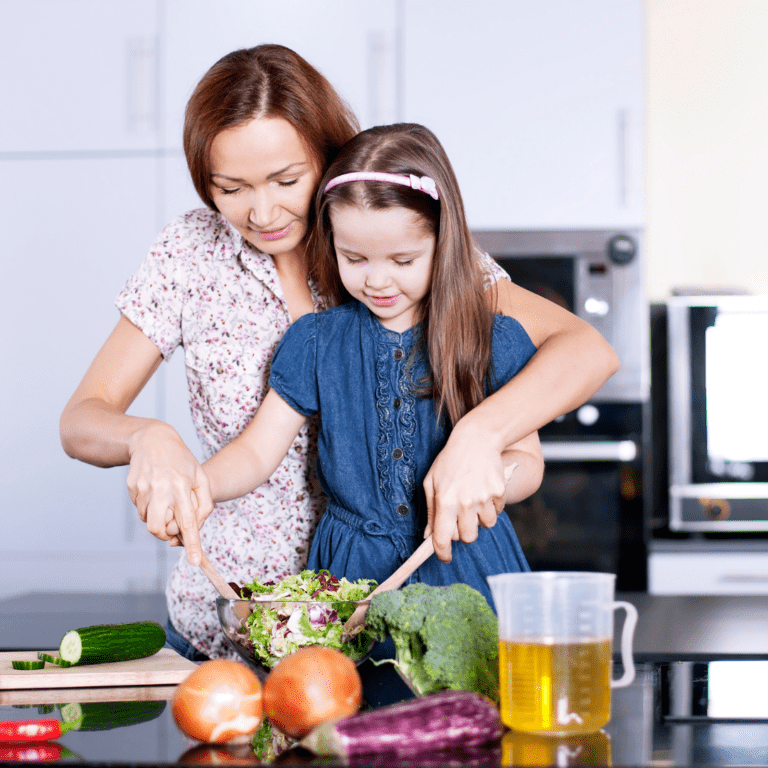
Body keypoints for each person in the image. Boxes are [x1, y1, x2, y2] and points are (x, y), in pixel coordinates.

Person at [60, 44, 618, 661]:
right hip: (238, 619)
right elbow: (84, 418)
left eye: (287, 180)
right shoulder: (193, 254)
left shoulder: (413, 245)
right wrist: (151, 440)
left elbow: (585, 351)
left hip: (410, 601)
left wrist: (480, 437)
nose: (263, 211)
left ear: (330, 159)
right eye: (231, 187)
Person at [201, 122, 545, 610]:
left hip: (468, 567)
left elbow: (529, 464)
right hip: (350, 576)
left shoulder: (490, 339)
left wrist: (493, 473)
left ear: (442, 244)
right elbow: (257, 453)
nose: (378, 280)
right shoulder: (317, 342)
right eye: (354, 258)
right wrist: (200, 486)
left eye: (403, 260)